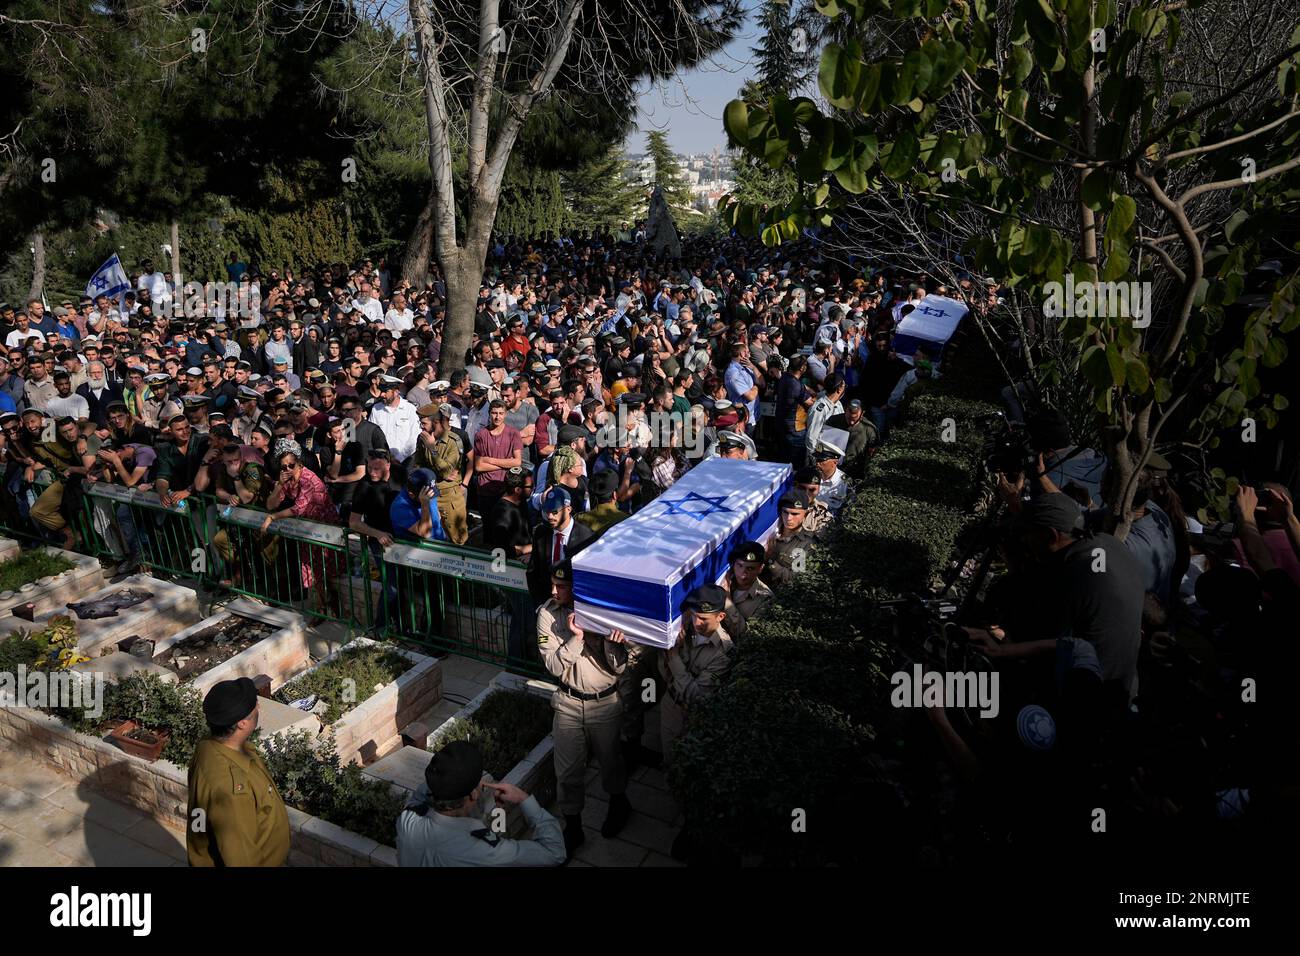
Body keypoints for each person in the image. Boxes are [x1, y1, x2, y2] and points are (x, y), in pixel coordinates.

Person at [536, 560, 632, 854]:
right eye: (553, 584)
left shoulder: (605, 613)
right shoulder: (546, 614)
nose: (554, 590)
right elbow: (553, 665)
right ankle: (573, 826)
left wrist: (612, 642)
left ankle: (619, 803)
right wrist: (576, 638)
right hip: (567, 702)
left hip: (604, 702)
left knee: (611, 762)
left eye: (562, 586)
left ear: (578, 589)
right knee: (567, 772)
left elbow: (619, 669)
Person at [395, 740, 566, 867]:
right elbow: (555, 852)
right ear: (473, 794)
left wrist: (499, 812)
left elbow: (424, 791)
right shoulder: (480, 849)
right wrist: (524, 798)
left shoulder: (407, 819)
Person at [187, 678, 291, 867]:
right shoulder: (232, 790)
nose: (258, 705)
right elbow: (240, 857)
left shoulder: (211, 746)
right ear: (242, 723)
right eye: (254, 706)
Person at [658, 584, 735, 763]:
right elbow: (663, 671)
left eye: (703, 618)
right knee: (669, 760)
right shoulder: (684, 631)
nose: (696, 623)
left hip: (696, 716)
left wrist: (674, 656)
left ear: (721, 616)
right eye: (693, 616)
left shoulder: (723, 653)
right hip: (671, 705)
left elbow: (696, 695)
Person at [527, 486, 595, 605]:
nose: (550, 517)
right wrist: (539, 605)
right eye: (547, 512)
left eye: (554, 512)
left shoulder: (586, 537)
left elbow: (589, 580)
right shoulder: (541, 533)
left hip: (574, 607)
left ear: (568, 509)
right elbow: (533, 572)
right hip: (547, 603)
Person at [720, 540, 774, 643]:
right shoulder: (725, 581)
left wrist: (726, 599)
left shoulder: (766, 599)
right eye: (739, 566)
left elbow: (747, 637)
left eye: (750, 568)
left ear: (760, 568)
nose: (743, 573)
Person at [764, 491, 817, 587]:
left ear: (805, 514)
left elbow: (794, 579)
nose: (788, 518)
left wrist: (770, 560)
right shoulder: (769, 532)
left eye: (795, 514)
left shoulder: (807, 543)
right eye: (785, 512)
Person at [390, 467, 447, 543]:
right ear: (412, 494)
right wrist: (425, 505)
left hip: (442, 543)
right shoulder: (399, 507)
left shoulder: (427, 492)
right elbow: (426, 534)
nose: (431, 497)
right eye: (428, 495)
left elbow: (436, 516)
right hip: (421, 551)